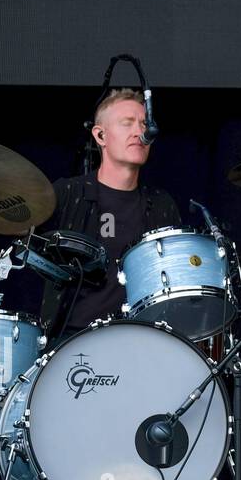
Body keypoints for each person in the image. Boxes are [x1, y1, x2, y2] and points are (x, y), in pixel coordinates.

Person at [39, 89, 182, 341]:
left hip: (142, 342)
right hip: (70, 343)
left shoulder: (162, 204)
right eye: (127, 123)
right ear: (100, 135)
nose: (140, 132)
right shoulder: (67, 194)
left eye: (144, 124)